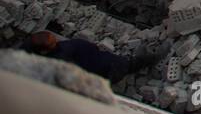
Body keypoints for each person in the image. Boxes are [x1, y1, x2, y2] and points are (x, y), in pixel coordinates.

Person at [25, 30, 161, 84]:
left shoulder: (59, 59)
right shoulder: (71, 47)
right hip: (111, 67)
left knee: (131, 63)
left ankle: (149, 55)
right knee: (132, 64)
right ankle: (156, 56)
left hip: (106, 69)